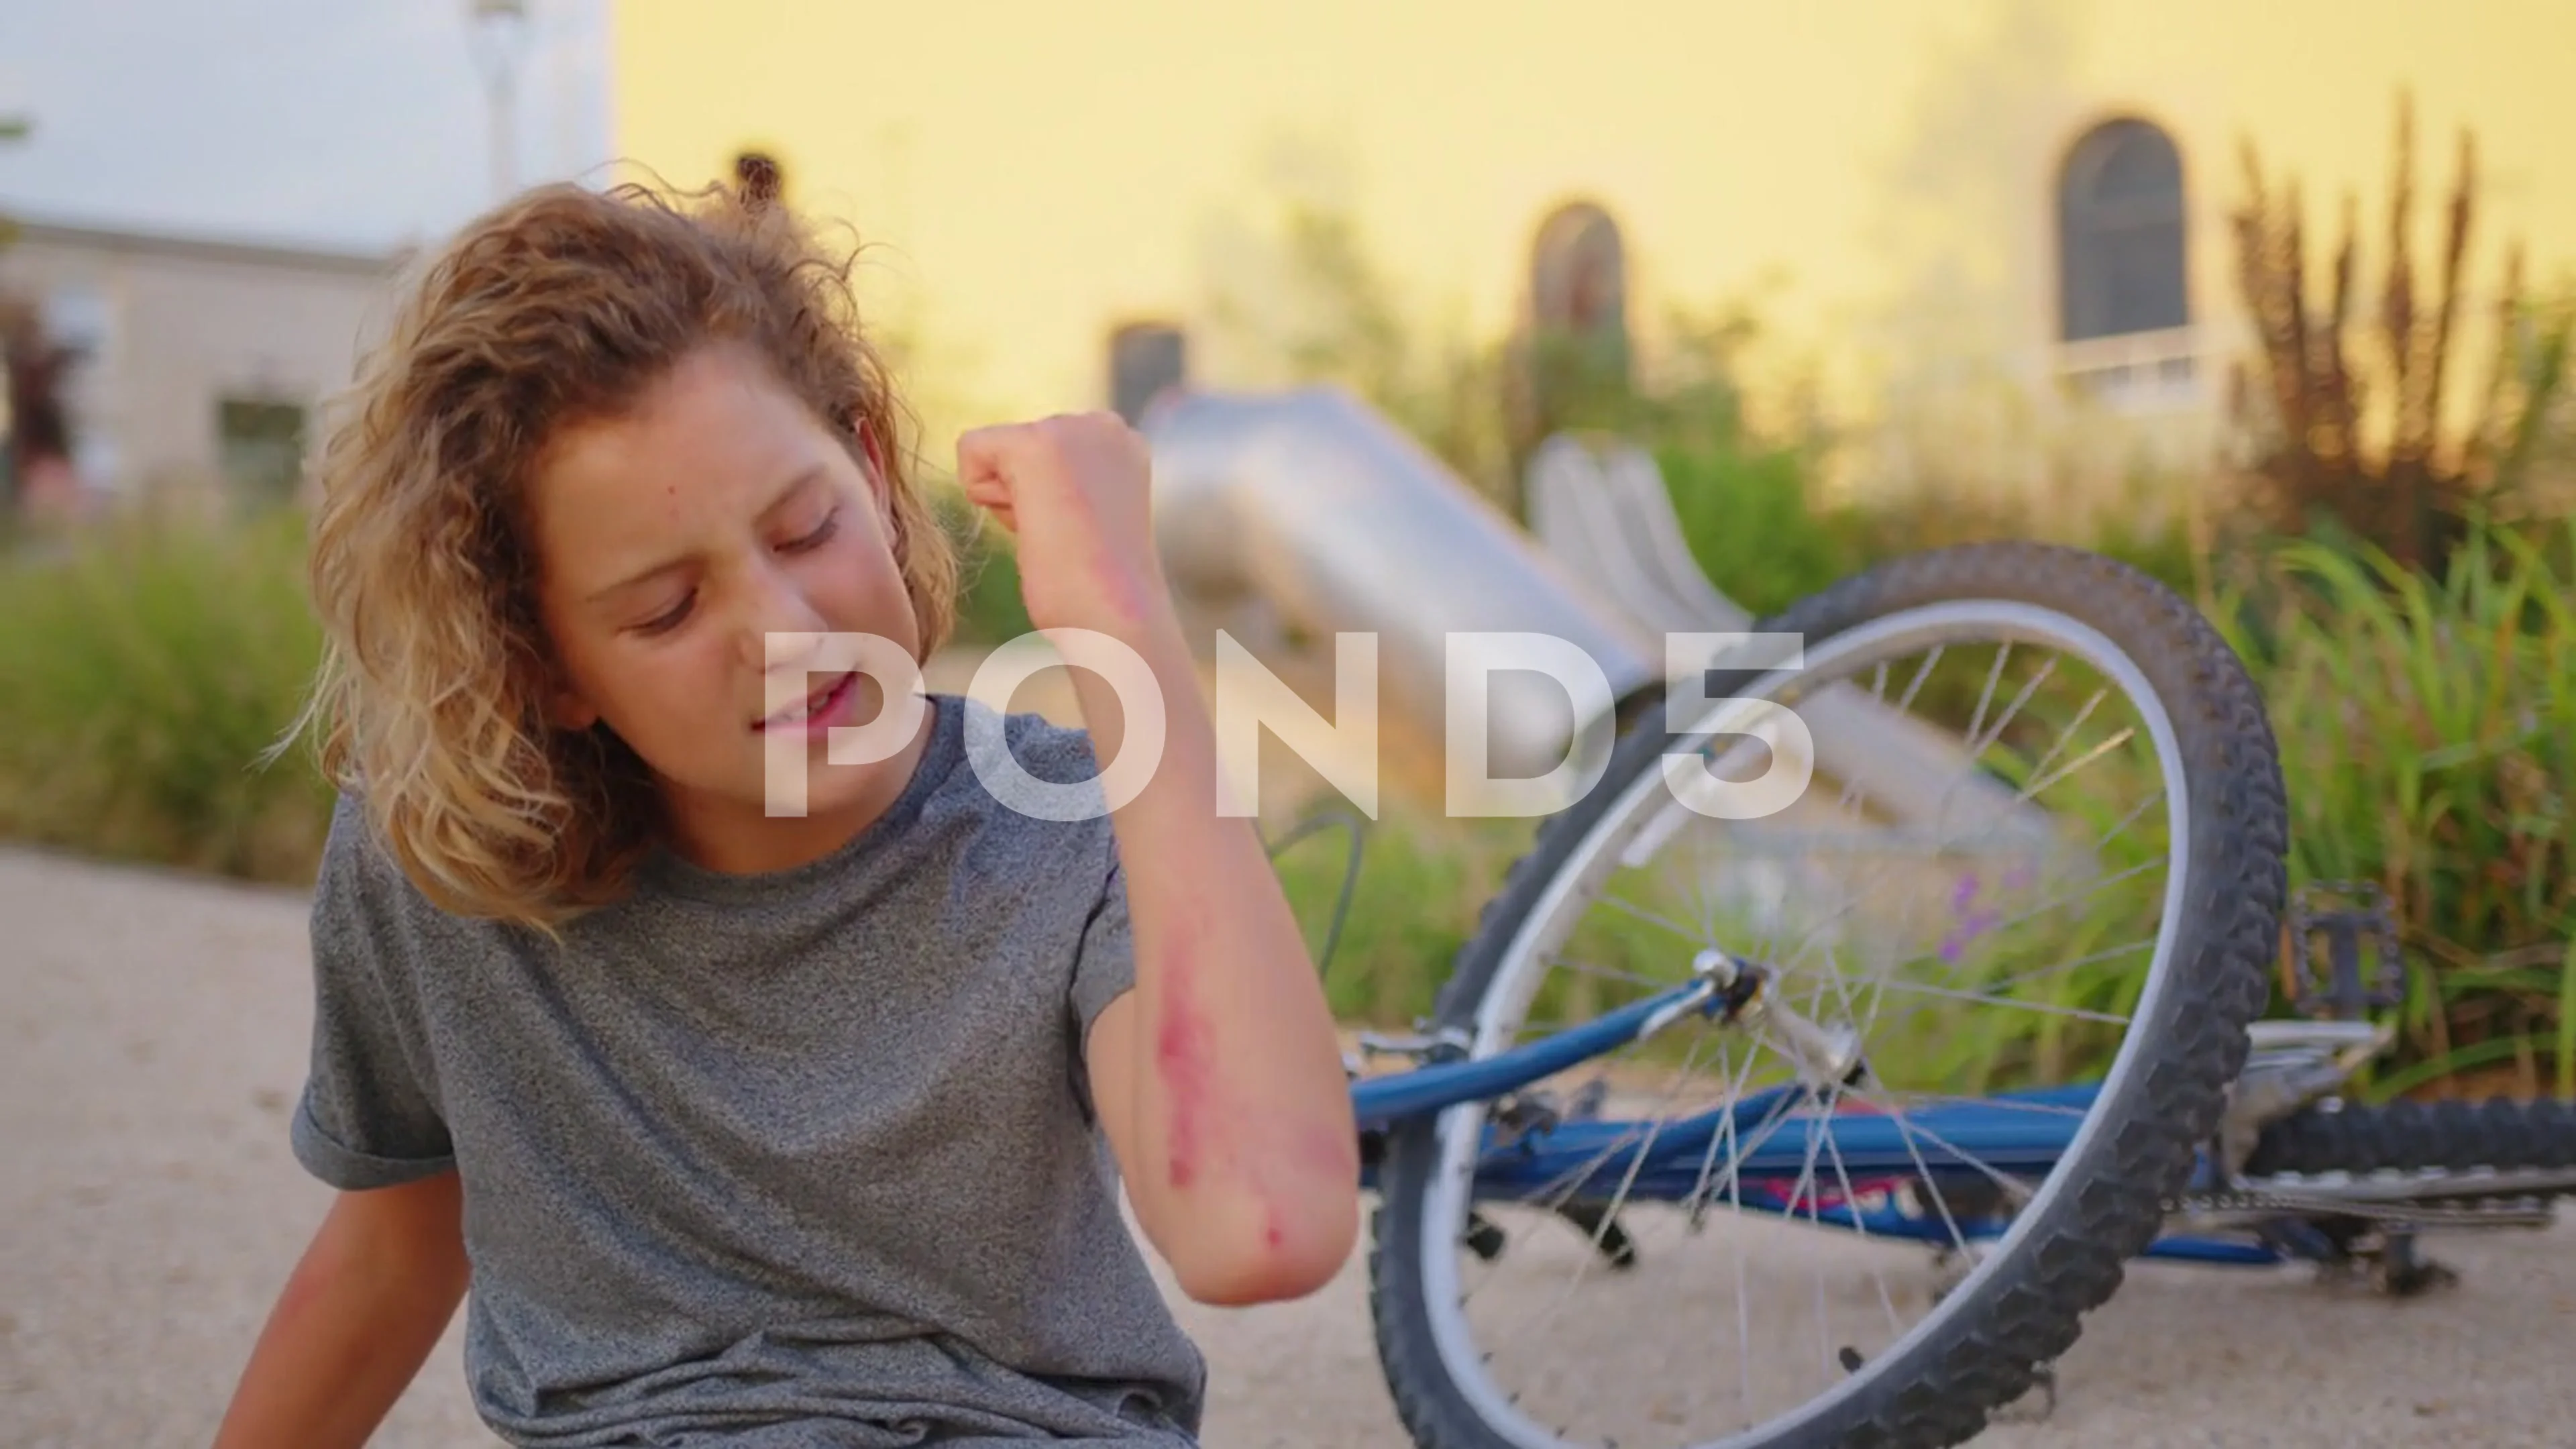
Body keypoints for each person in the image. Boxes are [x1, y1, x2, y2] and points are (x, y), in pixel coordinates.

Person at [211, 177, 1361, 1448]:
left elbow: (1262, 1225)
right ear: (544, 665)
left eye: (806, 529)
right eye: (664, 610)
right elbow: (393, 1251)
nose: (787, 635)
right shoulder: (444, 872)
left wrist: (1124, 624)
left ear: (871, 469)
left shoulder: (1067, 823)